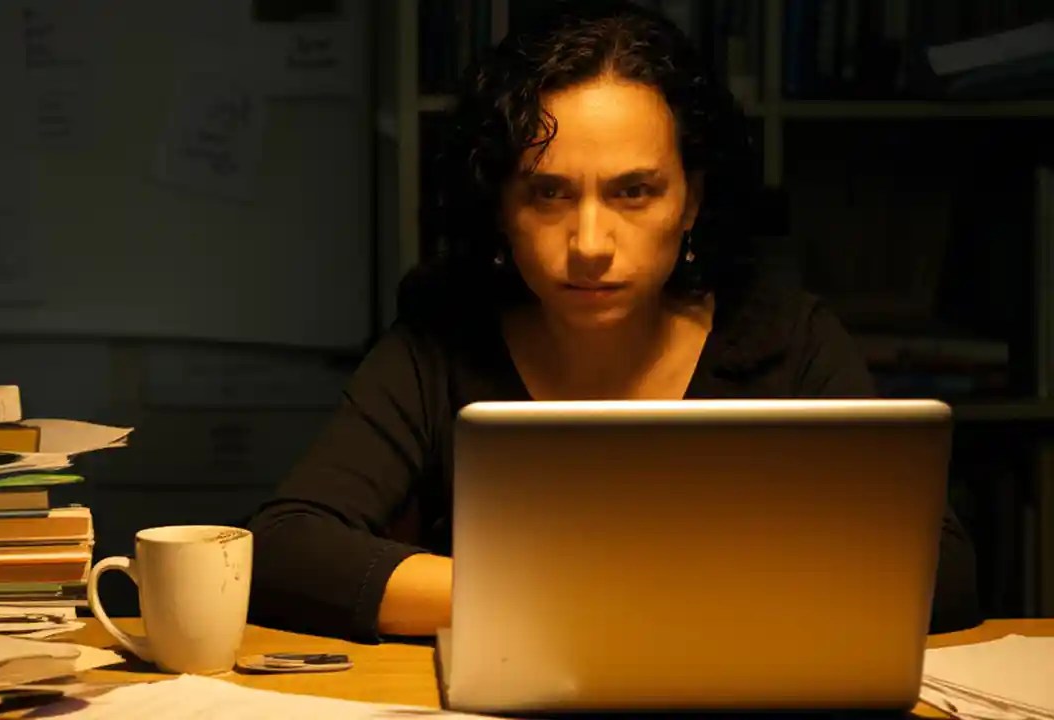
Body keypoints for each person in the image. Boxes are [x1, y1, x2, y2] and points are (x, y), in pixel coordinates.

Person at [247, 0, 981, 642]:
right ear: (500, 207)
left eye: (634, 192)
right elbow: (285, 550)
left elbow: (938, 571)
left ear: (691, 201)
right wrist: (586, 597)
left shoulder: (786, 340)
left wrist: (614, 599)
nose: (590, 245)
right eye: (549, 194)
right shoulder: (441, 340)